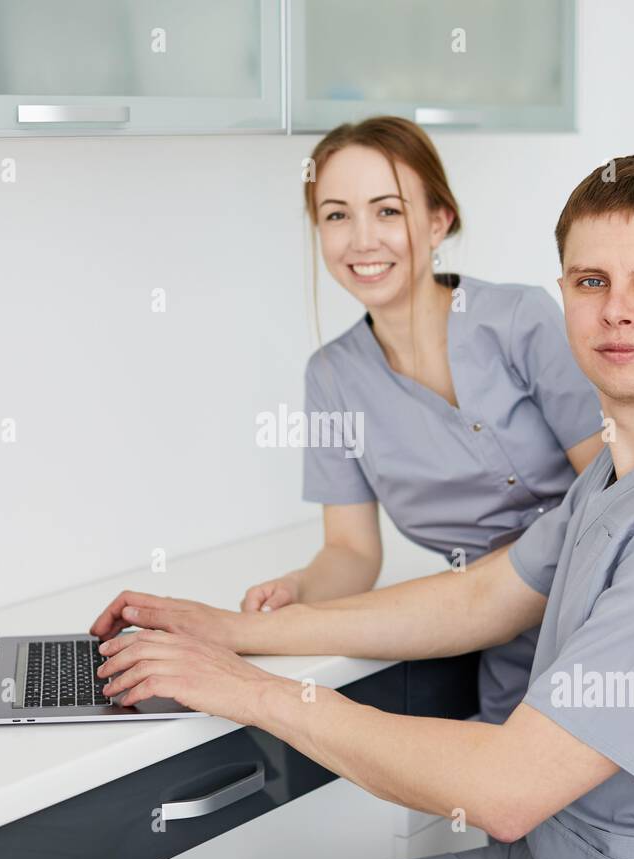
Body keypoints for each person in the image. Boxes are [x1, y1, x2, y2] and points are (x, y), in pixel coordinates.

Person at [89, 155, 634, 859]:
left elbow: (508, 790)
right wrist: (235, 632)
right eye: (590, 281)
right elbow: (481, 596)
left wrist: (246, 689)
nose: (616, 311)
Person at [243, 115, 603, 726]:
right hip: (503, 643)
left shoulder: (521, 319)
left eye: (387, 211)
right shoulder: (331, 378)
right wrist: (301, 590)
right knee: (520, 808)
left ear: (438, 220)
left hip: (607, 611)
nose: (361, 240)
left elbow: (615, 487)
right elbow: (352, 551)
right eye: (336, 215)